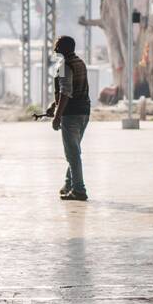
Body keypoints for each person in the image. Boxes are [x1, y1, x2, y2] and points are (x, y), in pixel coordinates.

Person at [46, 35, 90, 201]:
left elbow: (66, 92)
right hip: (84, 111)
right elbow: (72, 88)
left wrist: (57, 117)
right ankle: (68, 184)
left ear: (64, 48)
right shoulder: (79, 62)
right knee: (74, 150)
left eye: (57, 45)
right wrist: (54, 105)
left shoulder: (65, 65)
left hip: (71, 114)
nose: (55, 48)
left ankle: (79, 190)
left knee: (72, 153)